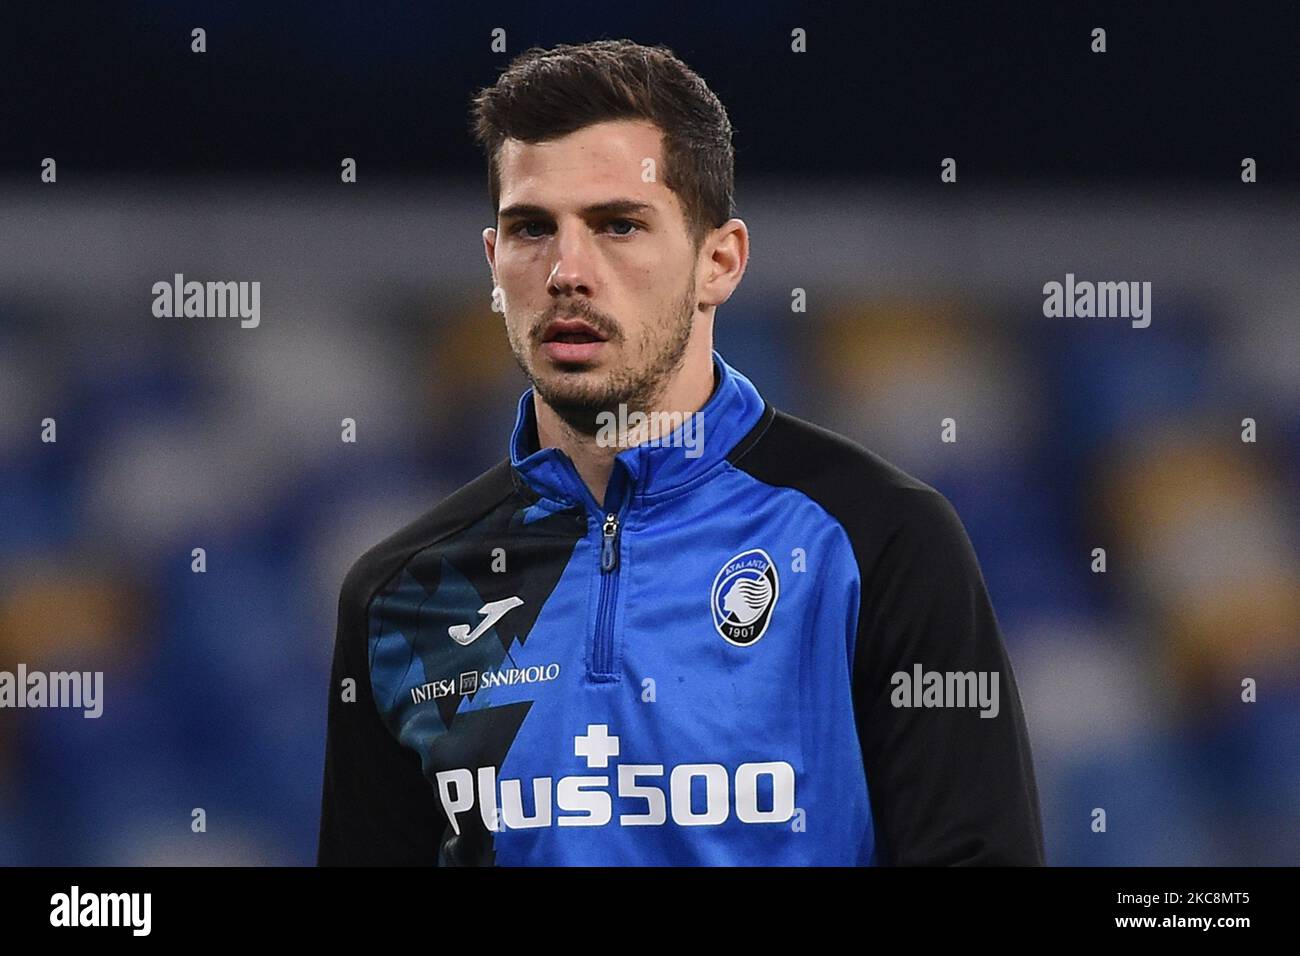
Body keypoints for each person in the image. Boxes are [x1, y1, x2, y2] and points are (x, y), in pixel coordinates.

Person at [317, 38, 1044, 866]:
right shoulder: (403, 596)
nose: (566, 270)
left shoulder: (876, 541)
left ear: (718, 262)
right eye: (530, 229)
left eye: (618, 224)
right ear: (494, 264)